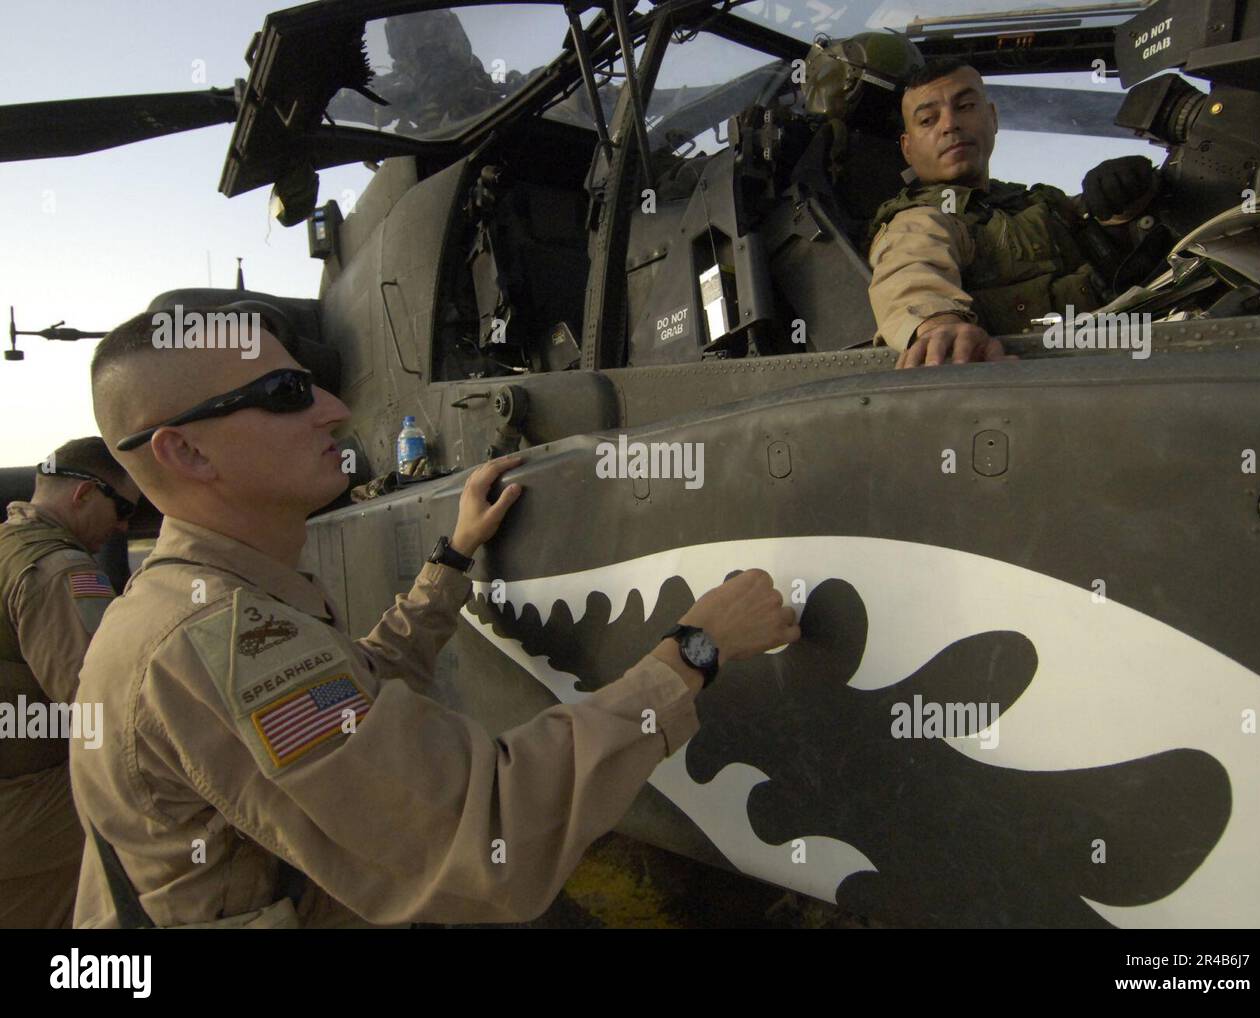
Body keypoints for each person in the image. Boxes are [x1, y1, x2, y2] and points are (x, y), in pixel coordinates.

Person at [73, 308, 800, 928]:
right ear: (186, 449)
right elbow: (490, 832)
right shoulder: (219, 641)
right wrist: (694, 651)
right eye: (287, 392)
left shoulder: (197, 602)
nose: (335, 409)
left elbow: (360, 688)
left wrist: (453, 557)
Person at [865, 58, 1159, 368]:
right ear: (907, 148)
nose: (949, 124)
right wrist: (939, 328)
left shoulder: (1032, 202)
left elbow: (1100, 223)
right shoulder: (921, 219)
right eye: (928, 120)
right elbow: (911, 270)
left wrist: (1124, 192)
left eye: (965, 106)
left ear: (992, 118)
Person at [0, 437, 138, 927]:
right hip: (32, 803)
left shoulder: (8, 548)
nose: (123, 526)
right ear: (83, 495)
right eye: (122, 508)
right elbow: (101, 709)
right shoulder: (61, 569)